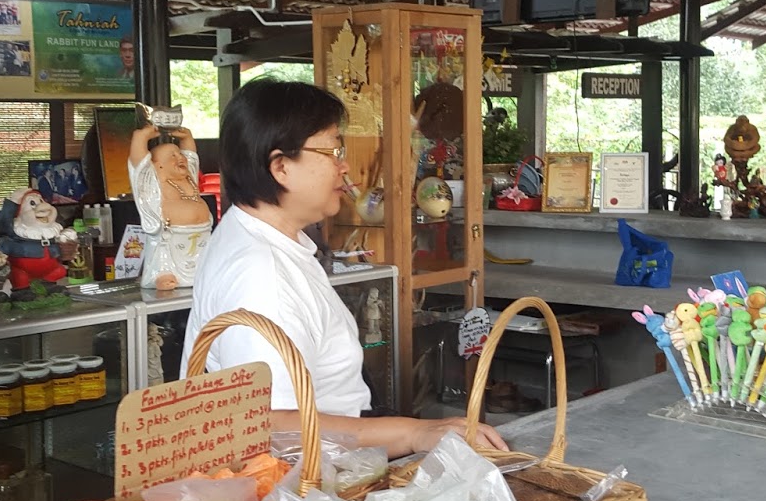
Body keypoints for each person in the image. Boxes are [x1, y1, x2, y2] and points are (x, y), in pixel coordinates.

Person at [183, 79, 508, 458]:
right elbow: (273, 427)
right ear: (281, 167)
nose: (345, 165)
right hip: (309, 481)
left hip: (336, 455)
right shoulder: (261, 275)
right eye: (333, 149)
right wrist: (413, 434)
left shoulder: (255, 235)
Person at [127, 123, 213, 291]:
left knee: (206, 262)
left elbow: (192, 157)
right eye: (172, 156)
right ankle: (161, 275)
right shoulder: (155, 184)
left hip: (201, 235)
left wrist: (187, 138)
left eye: (179, 153)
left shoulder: (188, 179)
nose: (180, 157)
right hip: (170, 238)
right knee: (164, 256)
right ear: (158, 166)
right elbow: (139, 166)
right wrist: (141, 137)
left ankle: (205, 273)